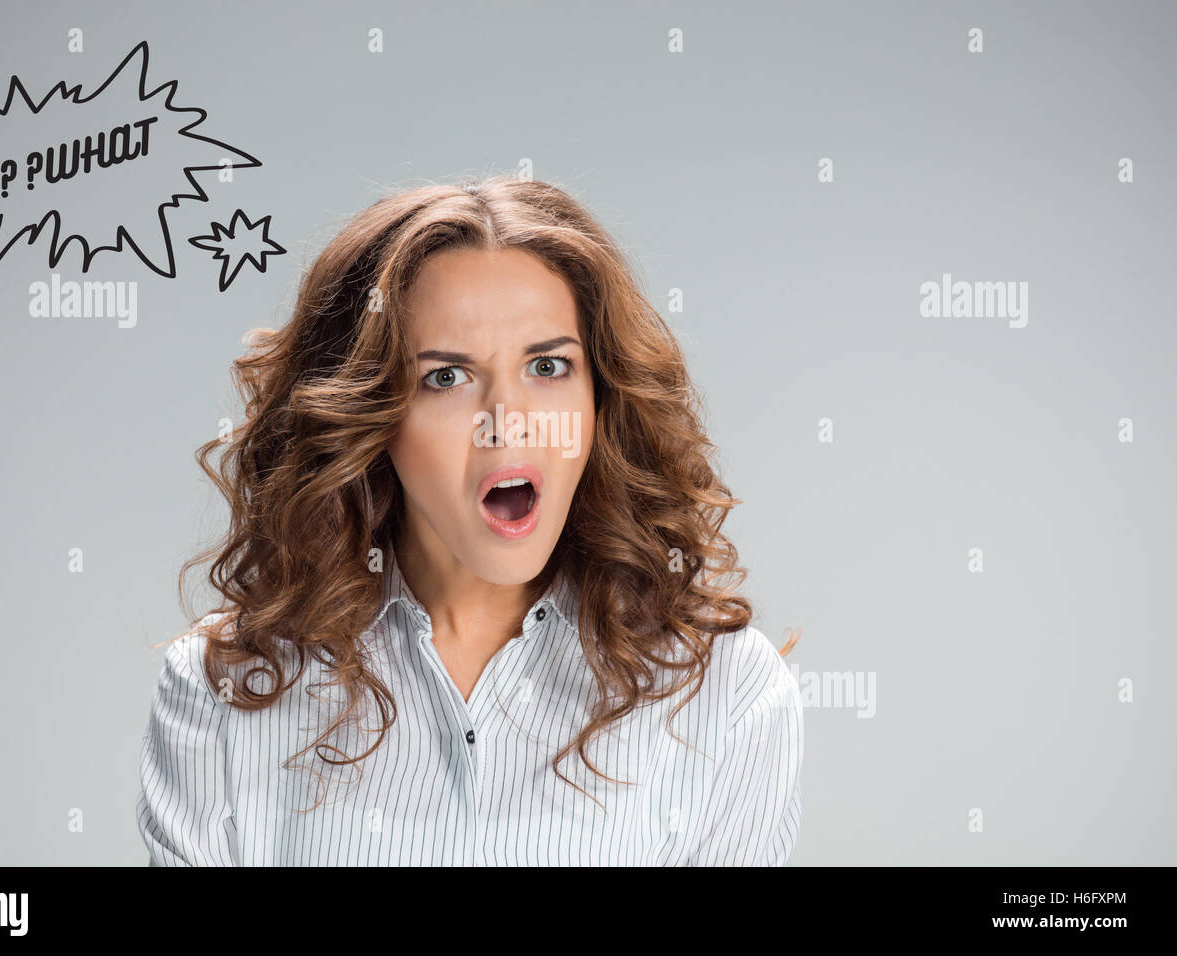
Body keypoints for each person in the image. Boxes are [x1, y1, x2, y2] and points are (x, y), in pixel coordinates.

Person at [135, 175, 803, 865]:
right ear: (369, 416)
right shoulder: (223, 690)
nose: (506, 423)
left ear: (601, 397)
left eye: (548, 365)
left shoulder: (725, 691)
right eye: (446, 377)